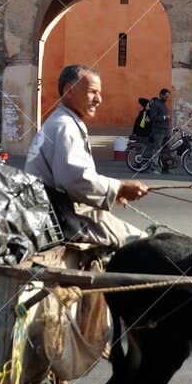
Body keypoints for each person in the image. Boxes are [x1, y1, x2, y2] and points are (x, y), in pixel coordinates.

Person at [26, 63, 149, 248]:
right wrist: (120, 188)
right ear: (69, 90)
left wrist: (114, 193)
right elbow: (75, 180)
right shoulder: (65, 126)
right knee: (142, 244)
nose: (99, 100)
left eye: (99, 93)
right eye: (93, 92)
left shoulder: (63, 121)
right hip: (65, 216)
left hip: (62, 210)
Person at [145, 87, 170, 160]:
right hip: (158, 131)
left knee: (164, 151)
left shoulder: (163, 104)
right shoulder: (156, 104)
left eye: (168, 97)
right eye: (166, 96)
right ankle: (154, 168)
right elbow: (153, 117)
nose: (167, 98)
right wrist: (165, 117)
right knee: (157, 150)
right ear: (161, 95)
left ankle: (164, 169)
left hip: (164, 130)